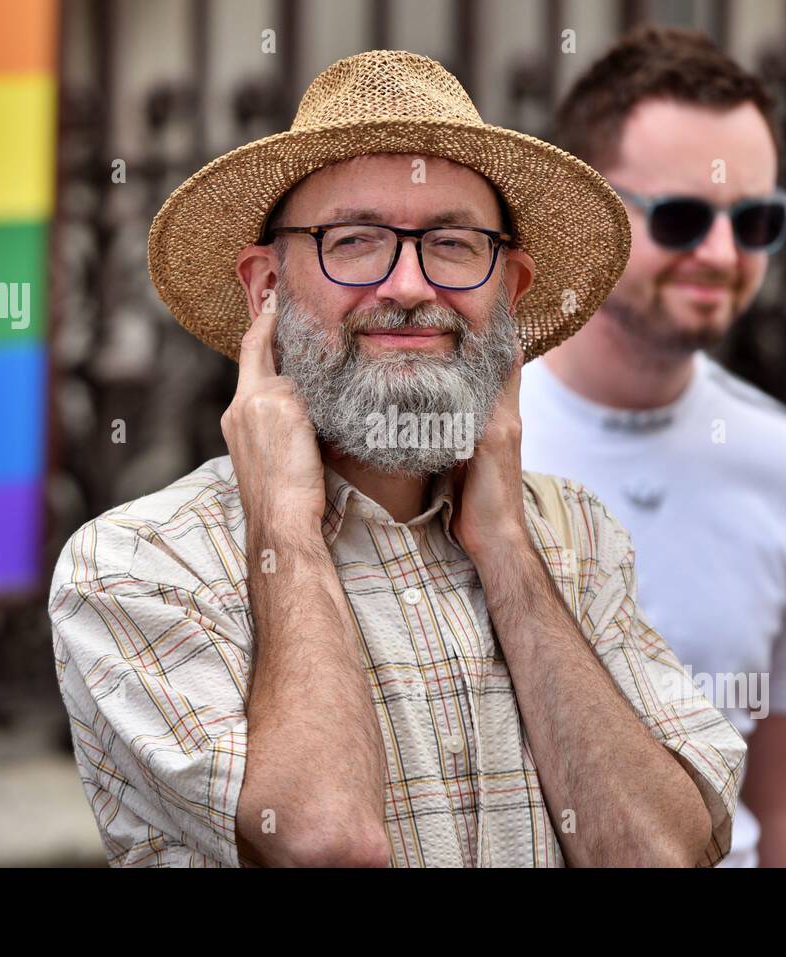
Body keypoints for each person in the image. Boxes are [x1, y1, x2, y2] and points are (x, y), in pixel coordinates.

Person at [48, 50, 745, 867]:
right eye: (354, 240)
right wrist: (285, 528)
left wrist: (507, 549)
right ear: (265, 287)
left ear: (510, 291)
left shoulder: (578, 535)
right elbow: (324, 840)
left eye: (452, 243)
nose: (410, 286)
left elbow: (662, 855)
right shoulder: (140, 565)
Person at [520, 27, 786, 867]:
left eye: (756, 220)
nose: (721, 253)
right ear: (582, 213)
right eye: (680, 218)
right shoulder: (463, 438)